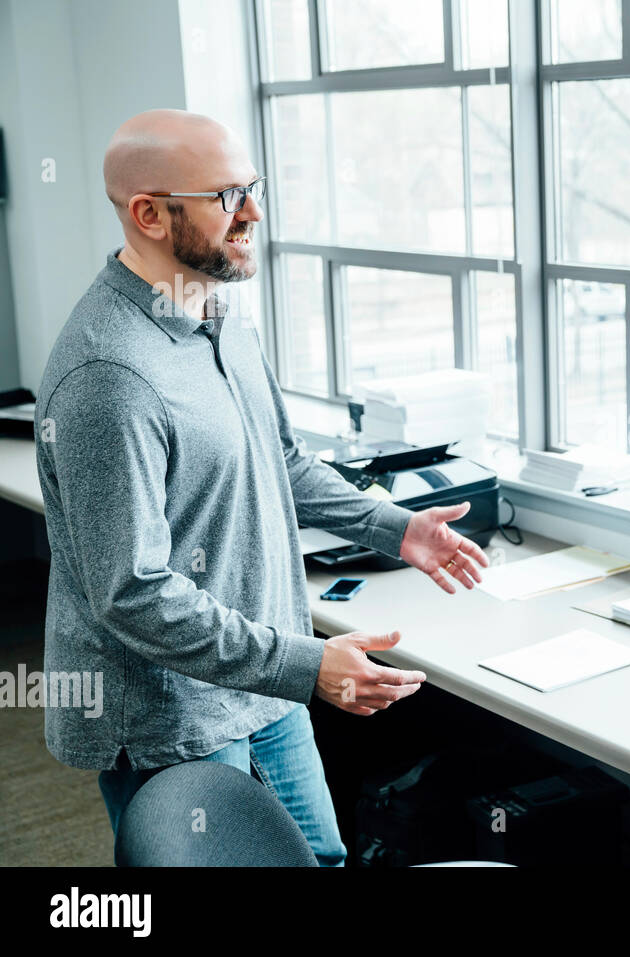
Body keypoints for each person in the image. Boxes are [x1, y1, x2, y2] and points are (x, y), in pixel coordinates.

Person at [34, 109, 488, 866]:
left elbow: (281, 458)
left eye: (253, 187)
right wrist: (307, 664)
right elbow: (132, 592)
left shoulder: (216, 311)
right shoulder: (107, 376)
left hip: (264, 682)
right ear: (148, 213)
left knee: (325, 860)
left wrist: (395, 528)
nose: (254, 213)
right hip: (170, 712)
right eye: (226, 196)